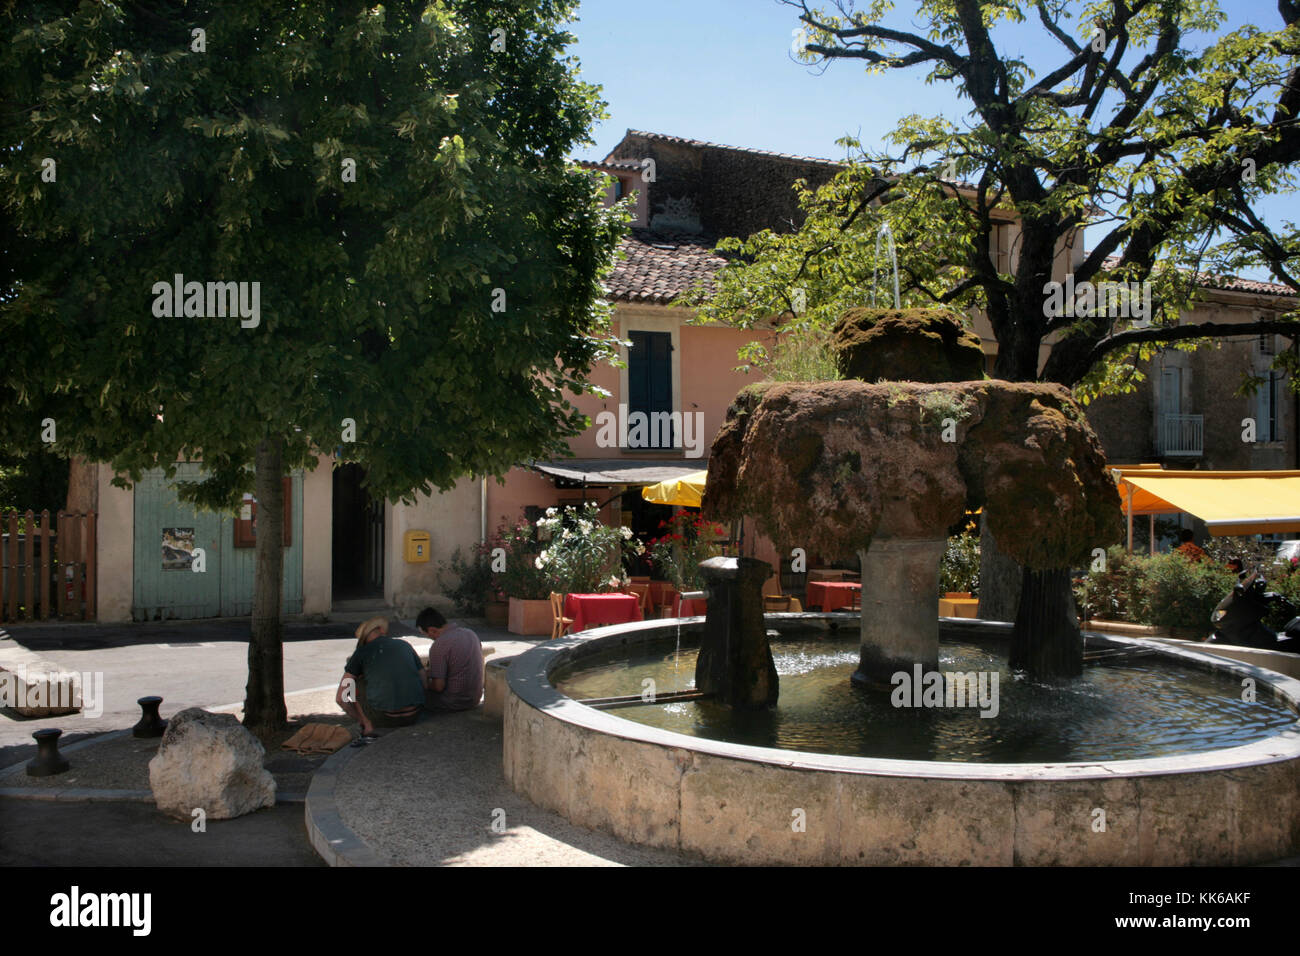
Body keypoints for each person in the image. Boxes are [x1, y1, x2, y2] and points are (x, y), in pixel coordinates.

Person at [335, 616, 426, 737]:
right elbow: (424, 682)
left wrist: (359, 718)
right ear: (381, 630)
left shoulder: (361, 652)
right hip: (414, 715)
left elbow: (341, 698)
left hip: (384, 718)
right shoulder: (405, 645)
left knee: (356, 682)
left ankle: (367, 725)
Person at [416, 607, 484, 712]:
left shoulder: (439, 645)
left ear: (432, 630)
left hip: (453, 702)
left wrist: (422, 682)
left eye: (426, 634)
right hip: (474, 698)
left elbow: (439, 686)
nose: (428, 637)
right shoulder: (470, 633)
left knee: (412, 690)